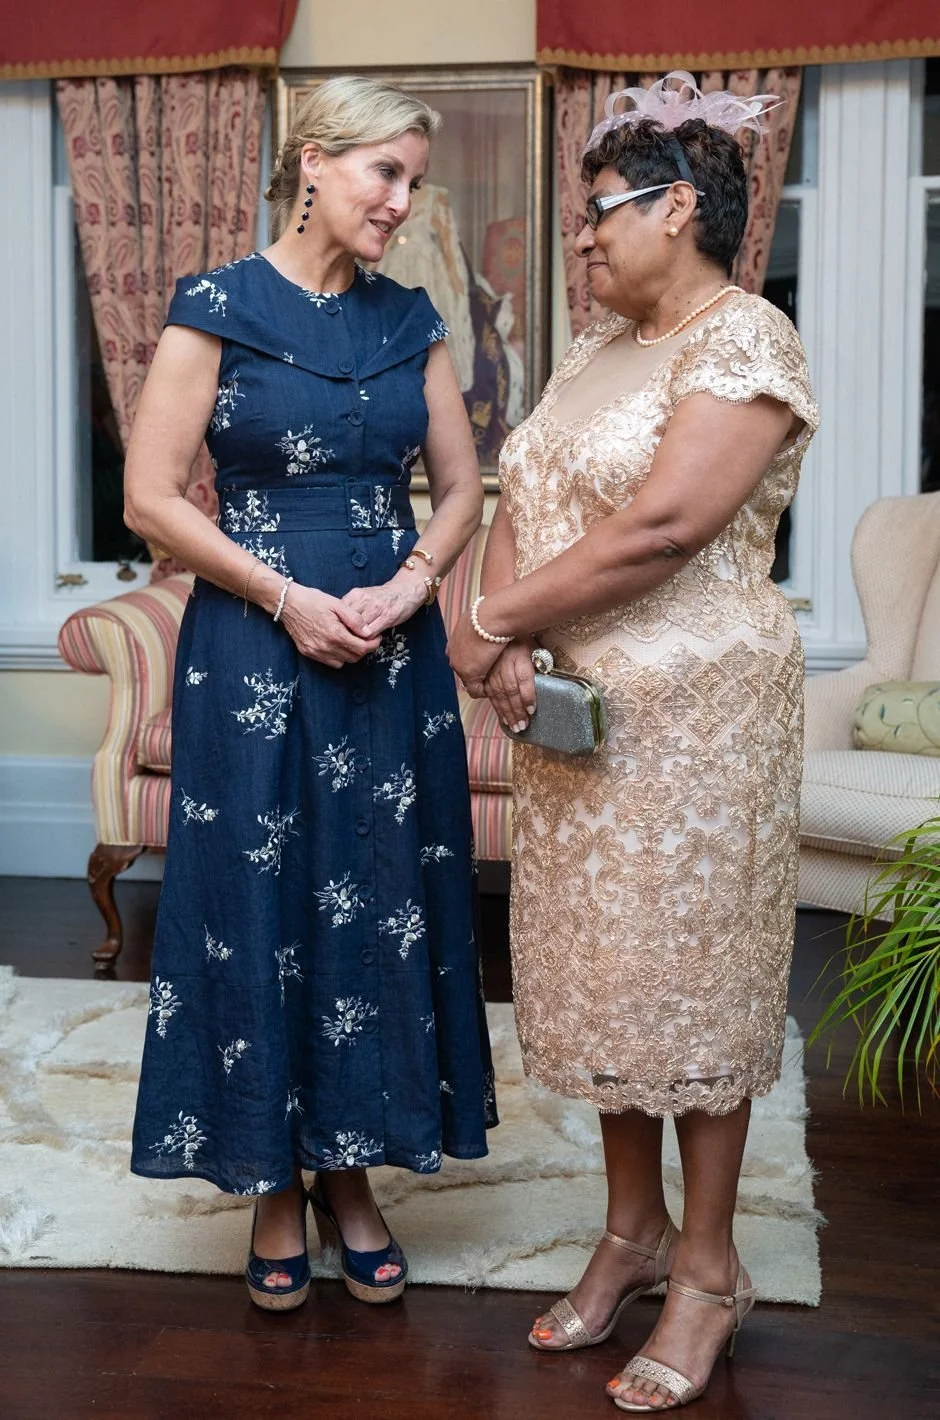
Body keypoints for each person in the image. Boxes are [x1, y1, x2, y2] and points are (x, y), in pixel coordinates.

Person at [448, 72, 818, 1412]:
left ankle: (708, 1268)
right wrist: (503, 638)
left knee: (693, 987)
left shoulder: (747, 339)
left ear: (678, 208)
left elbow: (664, 526)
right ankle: (632, 1231)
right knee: (609, 983)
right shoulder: (593, 349)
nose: (583, 236)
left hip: (700, 723)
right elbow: (522, 492)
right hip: (575, 718)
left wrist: (490, 620)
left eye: (601, 210)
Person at [125, 74, 496, 1312]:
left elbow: (459, 486)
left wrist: (413, 584)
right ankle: (274, 1181)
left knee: (376, 903)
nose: (401, 201)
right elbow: (150, 496)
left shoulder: (412, 318)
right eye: (385, 172)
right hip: (251, 655)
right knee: (257, 903)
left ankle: (350, 1168)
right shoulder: (215, 306)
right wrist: (285, 597)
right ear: (314, 162)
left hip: (389, 659)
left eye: (413, 181)